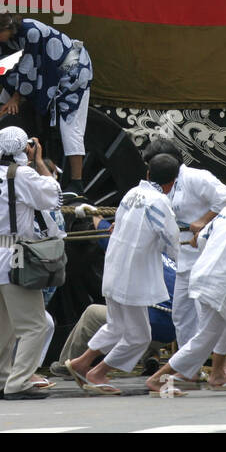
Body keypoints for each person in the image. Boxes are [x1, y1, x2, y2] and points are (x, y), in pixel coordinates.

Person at [146, 174, 226, 394]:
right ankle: (159, 378)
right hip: (220, 285)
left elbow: (200, 240)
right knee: (205, 338)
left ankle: (218, 373)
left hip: (201, 275)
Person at [68, 153, 179, 394]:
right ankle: (97, 373)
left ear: (148, 174)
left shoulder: (131, 194)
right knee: (139, 337)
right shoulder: (160, 203)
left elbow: (117, 227)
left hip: (114, 271)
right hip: (133, 278)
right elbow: (172, 242)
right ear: (172, 184)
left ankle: (80, 363)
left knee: (115, 326)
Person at [0, 126, 63, 400]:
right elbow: (54, 196)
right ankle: (19, 382)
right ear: (24, 148)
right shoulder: (23, 174)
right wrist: (39, 162)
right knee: (35, 326)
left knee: (3, 329)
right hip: (13, 256)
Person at [140, 137, 226, 380]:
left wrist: (204, 221)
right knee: (181, 314)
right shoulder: (159, 185)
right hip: (183, 257)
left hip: (206, 256)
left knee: (208, 315)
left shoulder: (196, 177)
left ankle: (220, 368)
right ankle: (189, 369)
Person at [0, 13, 93, 196]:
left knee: (70, 124)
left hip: (72, 69)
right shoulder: (1, 34)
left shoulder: (31, 31)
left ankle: (77, 182)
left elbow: (28, 67)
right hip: (47, 68)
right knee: (7, 91)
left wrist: (16, 97)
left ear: (7, 29)